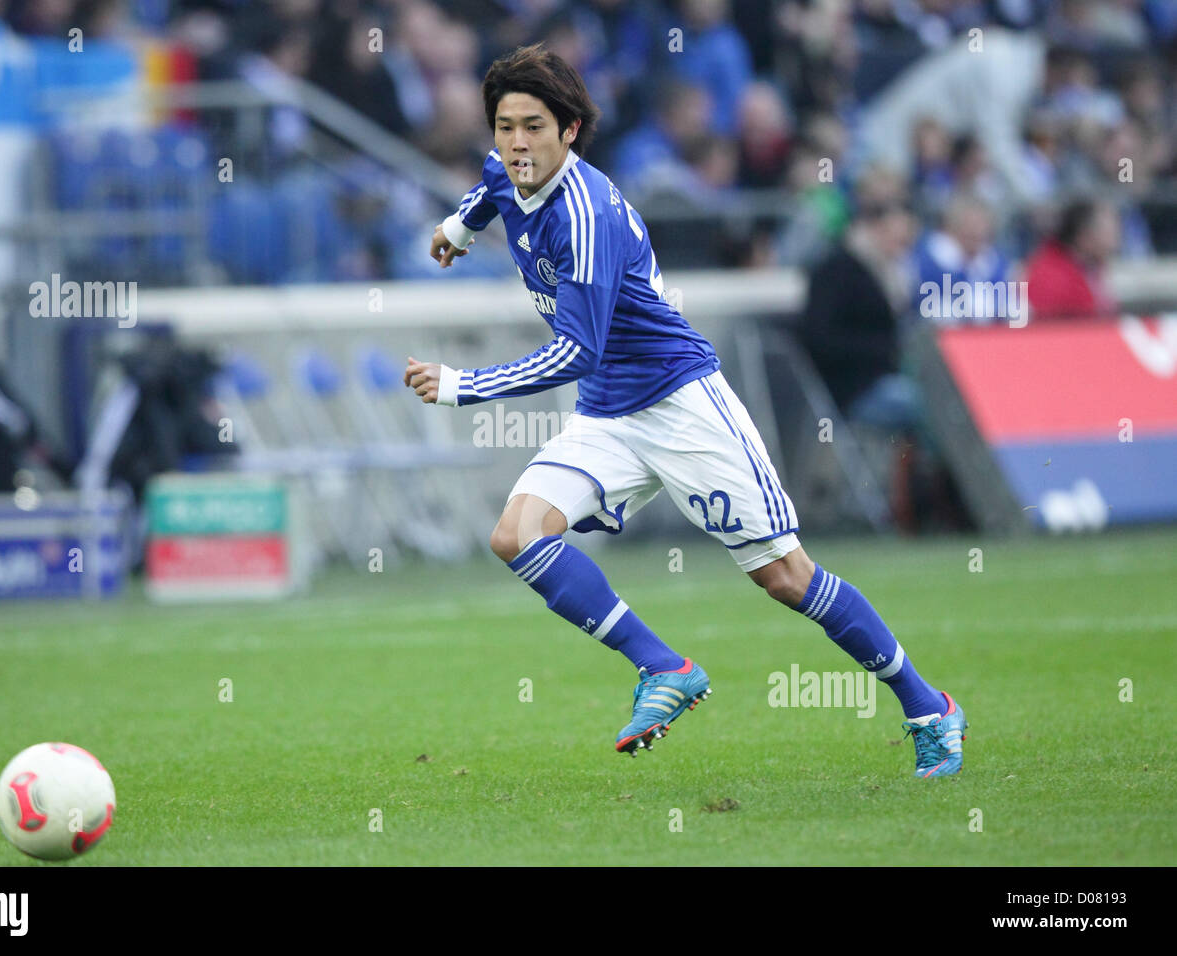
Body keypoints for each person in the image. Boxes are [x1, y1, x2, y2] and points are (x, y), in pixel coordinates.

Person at [403, 45, 966, 777]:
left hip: (679, 403)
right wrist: (456, 230)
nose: (515, 143)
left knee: (786, 578)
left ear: (569, 130)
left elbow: (577, 351)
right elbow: (486, 193)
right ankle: (663, 667)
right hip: (609, 413)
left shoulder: (588, 214)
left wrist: (461, 386)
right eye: (504, 125)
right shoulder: (505, 171)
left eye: (533, 126)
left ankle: (930, 707)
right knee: (516, 534)